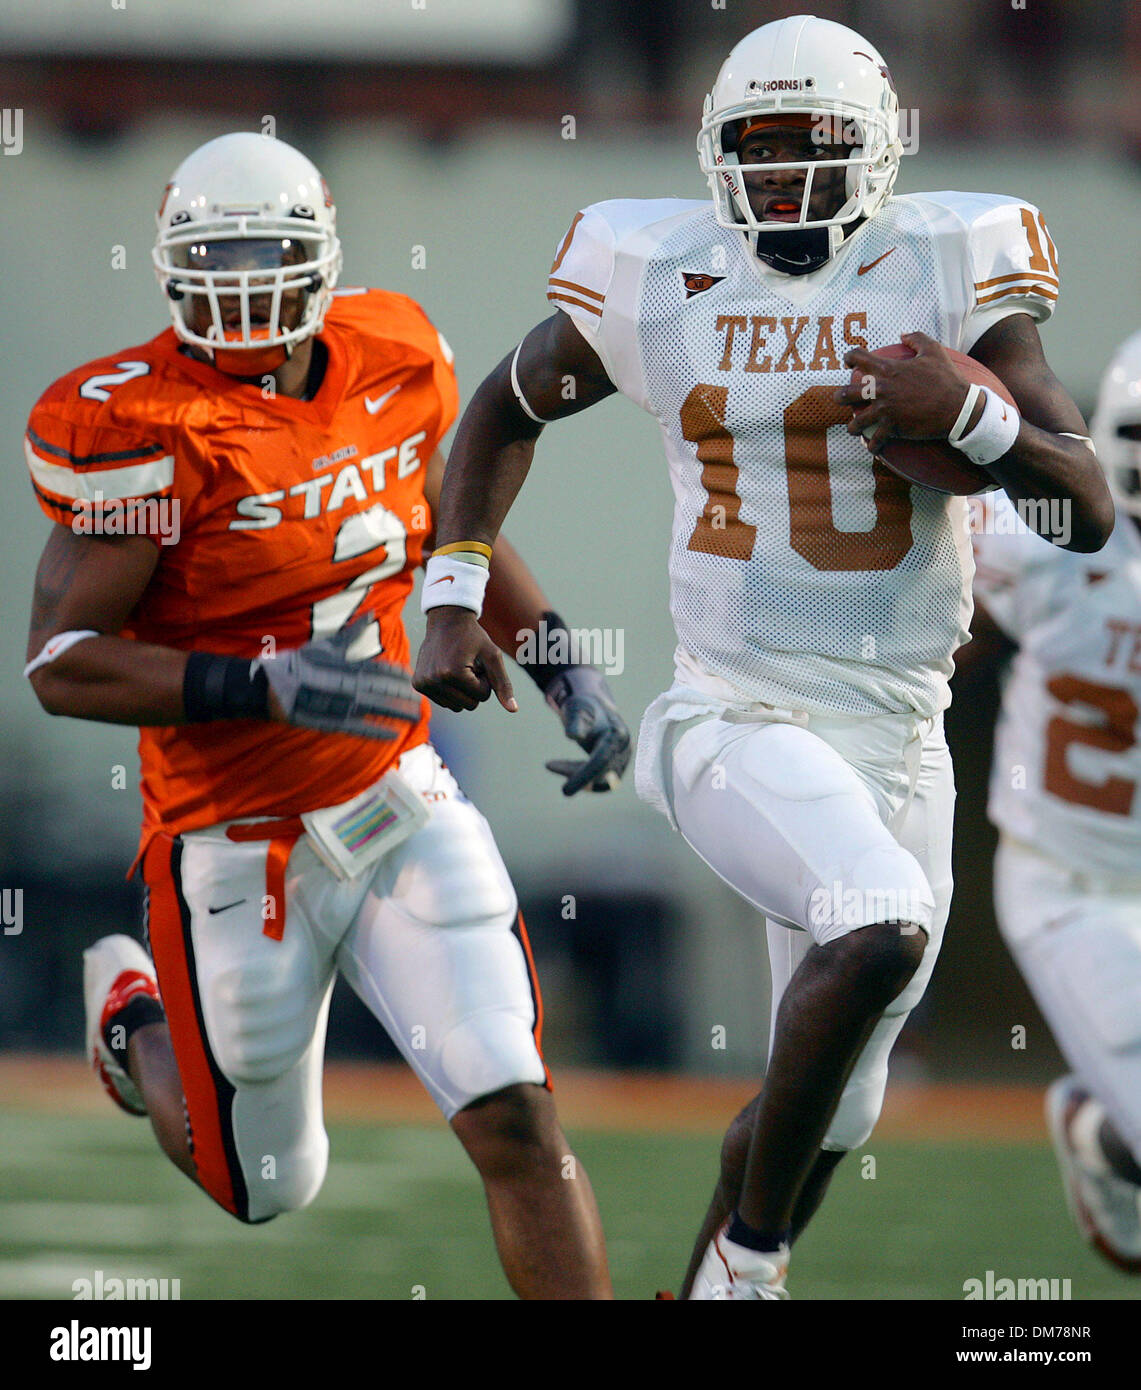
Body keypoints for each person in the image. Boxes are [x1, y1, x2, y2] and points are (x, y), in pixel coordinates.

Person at [412, 13, 1114, 1298]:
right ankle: (751, 1263)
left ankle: (726, 1263)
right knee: (879, 920)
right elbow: (502, 409)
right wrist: (452, 587)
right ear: (711, 154)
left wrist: (971, 411)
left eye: (815, 154)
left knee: (825, 1117)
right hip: (731, 717)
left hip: (900, 735)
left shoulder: (947, 265)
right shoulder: (656, 269)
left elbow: (1083, 511)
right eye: (760, 154)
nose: (785, 185)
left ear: (883, 153)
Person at [23, 131, 630, 1300]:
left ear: (325, 256)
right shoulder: (143, 423)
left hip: (396, 797)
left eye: (268, 253)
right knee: (260, 1184)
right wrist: (255, 682)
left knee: (513, 1109)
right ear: (167, 266)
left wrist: (558, 663)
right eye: (215, 258)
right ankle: (131, 1018)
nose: (243, 283)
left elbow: (456, 519)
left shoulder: (395, 357)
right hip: (233, 839)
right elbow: (61, 663)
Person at [957, 331, 1141, 1273]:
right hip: (1072, 884)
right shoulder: (1042, 542)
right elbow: (942, 642)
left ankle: (1106, 1141)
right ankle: (1103, 1137)